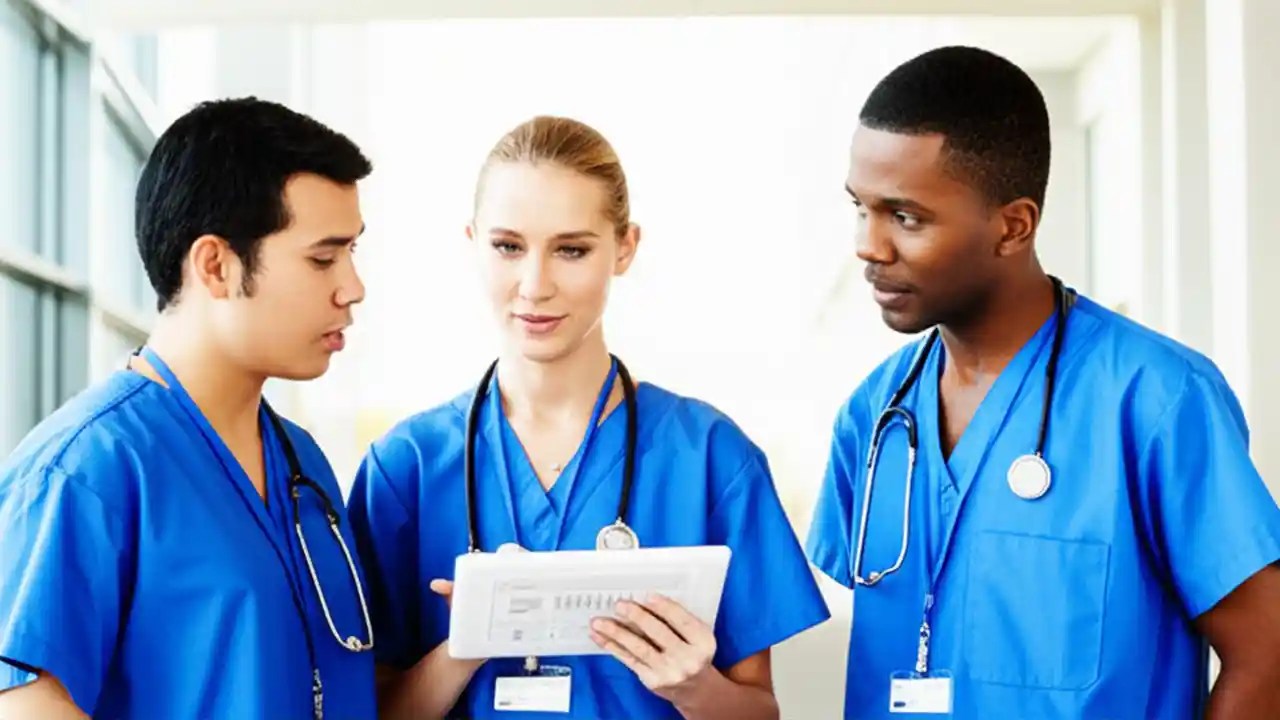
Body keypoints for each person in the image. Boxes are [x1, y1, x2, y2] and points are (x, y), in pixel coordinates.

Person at [805, 45, 1280, 719]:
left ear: (1014, 226)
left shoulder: (1155, 399)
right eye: (862, 208)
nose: (868, 245)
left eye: (905, 217)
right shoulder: (875, 416)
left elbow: (1267, 655)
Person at [347, 115, 830, 720]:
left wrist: (692, 687)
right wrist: (464, 646)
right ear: (472, 242)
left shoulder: (710, 457)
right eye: (508, 247)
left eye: (571, 250)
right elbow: (366, 710)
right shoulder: (407, 468)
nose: (534, 285)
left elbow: (760, 710)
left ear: (625, 248)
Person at [0, 97, 378, 720]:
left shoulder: (302, 462)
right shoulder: (83, 471)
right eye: (322, 258)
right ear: (216, 265)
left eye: (353, 252)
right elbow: (25, 702)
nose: (353, 288)